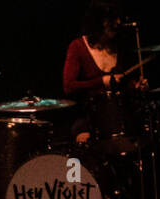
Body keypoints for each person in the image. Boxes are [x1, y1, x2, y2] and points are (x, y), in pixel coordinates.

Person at [63, 1, 147, 144]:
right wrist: (101, 81)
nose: (118, 22)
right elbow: (68, 86)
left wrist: (136, 86)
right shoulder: (78, 47)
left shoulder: (118, 47)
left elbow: (124, 85)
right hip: (88, 119)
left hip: (121, 118)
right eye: (111, 19)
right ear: (97, 21)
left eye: (118, 18)